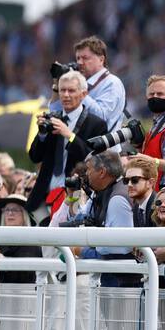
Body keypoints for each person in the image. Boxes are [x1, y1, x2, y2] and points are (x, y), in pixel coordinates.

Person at [26, 70, 107, 220]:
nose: (66, 95)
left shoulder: (96, 124)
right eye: (62, 90)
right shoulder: (52, 119)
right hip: (44, 195)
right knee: (42, 239)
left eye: (71, 90)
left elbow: (93, 160)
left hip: (77, 192)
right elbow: (34, 156)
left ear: (83, 94)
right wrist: (42, 134)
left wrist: (69, 135)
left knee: (70, 237)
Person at [65, 152, 136, 286]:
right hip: (112, 276)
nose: (86, 174)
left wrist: (80, 250)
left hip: (124, 281)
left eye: (89, 169)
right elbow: (76, 219)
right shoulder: (101, 192)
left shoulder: (118, 198)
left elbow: (117, 248)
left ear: (102, 172)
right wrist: (73, 195)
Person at [74, 35, 128, 131]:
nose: (80, 62)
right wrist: (57, 88)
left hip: (105, 145)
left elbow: (102, 118)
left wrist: (79, 92)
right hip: (83, 144)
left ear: (101, 59)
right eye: (78, 58)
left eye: (85, 58)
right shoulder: (84, 84)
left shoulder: (112, 82)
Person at [122, 154, 159, 226]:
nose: (129, 184)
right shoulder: (137, 207)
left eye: (135, 180)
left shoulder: (159, 207)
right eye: (126, 180)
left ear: (150, 183)